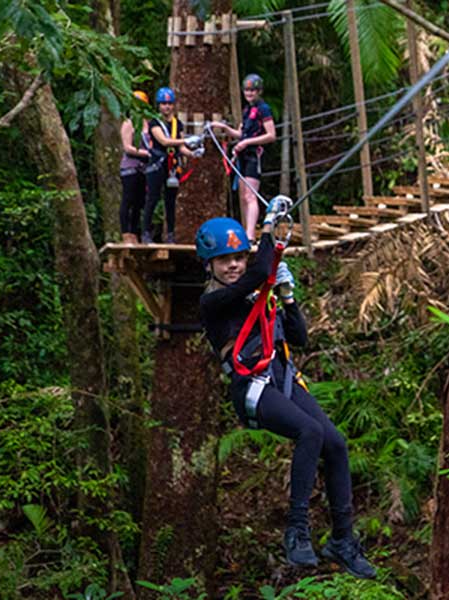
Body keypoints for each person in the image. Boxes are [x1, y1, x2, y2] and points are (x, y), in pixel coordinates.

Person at [195, 201, 376, 577]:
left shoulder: (258, 292)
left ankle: (343, 538)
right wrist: (268, 228)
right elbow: (261, 269)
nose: (233, 266)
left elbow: (300, 338)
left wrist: (288, 297)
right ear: (209, 265)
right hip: (251, 388)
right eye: (224, 260)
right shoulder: (213, 301)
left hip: (284, 378)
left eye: (238, 258)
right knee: (309, 432)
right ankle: (297, 530)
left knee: (336, 444)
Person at [209, 73, 276, 242]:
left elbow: (271, 135)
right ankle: (247, 230)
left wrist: (247, 143)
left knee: (250, 196)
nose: (249, 93)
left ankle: (250, 234)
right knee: (243, 196)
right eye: (247, 90)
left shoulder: (263, 109)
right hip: (243, 156)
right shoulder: (247, 110)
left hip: (255, 155)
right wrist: (224, 128)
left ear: (259, 91)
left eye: (253, 90)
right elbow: (241, 134)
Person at [143, 86, 199, 244]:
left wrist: (192, 153)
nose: (166, 107)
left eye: (169, 104)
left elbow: (181, 148)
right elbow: (164, 141)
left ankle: (171, 235)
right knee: (152, 198)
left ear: (173, 105)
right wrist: (186, 140)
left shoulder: (177, 124)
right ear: (159, 106)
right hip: (158, 163)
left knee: (170, 201)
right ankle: (146, 232)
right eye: (163, 104)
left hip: (172, 166)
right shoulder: (154, 122)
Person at [119, 90, 151, 244]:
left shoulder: (149, 124)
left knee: (140, 202)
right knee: (128, 200)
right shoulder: (128, 123)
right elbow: (127, 147)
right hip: (130, 167)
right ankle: (126, 233)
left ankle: (135, 232)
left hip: (145, 169)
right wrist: (147, 153)